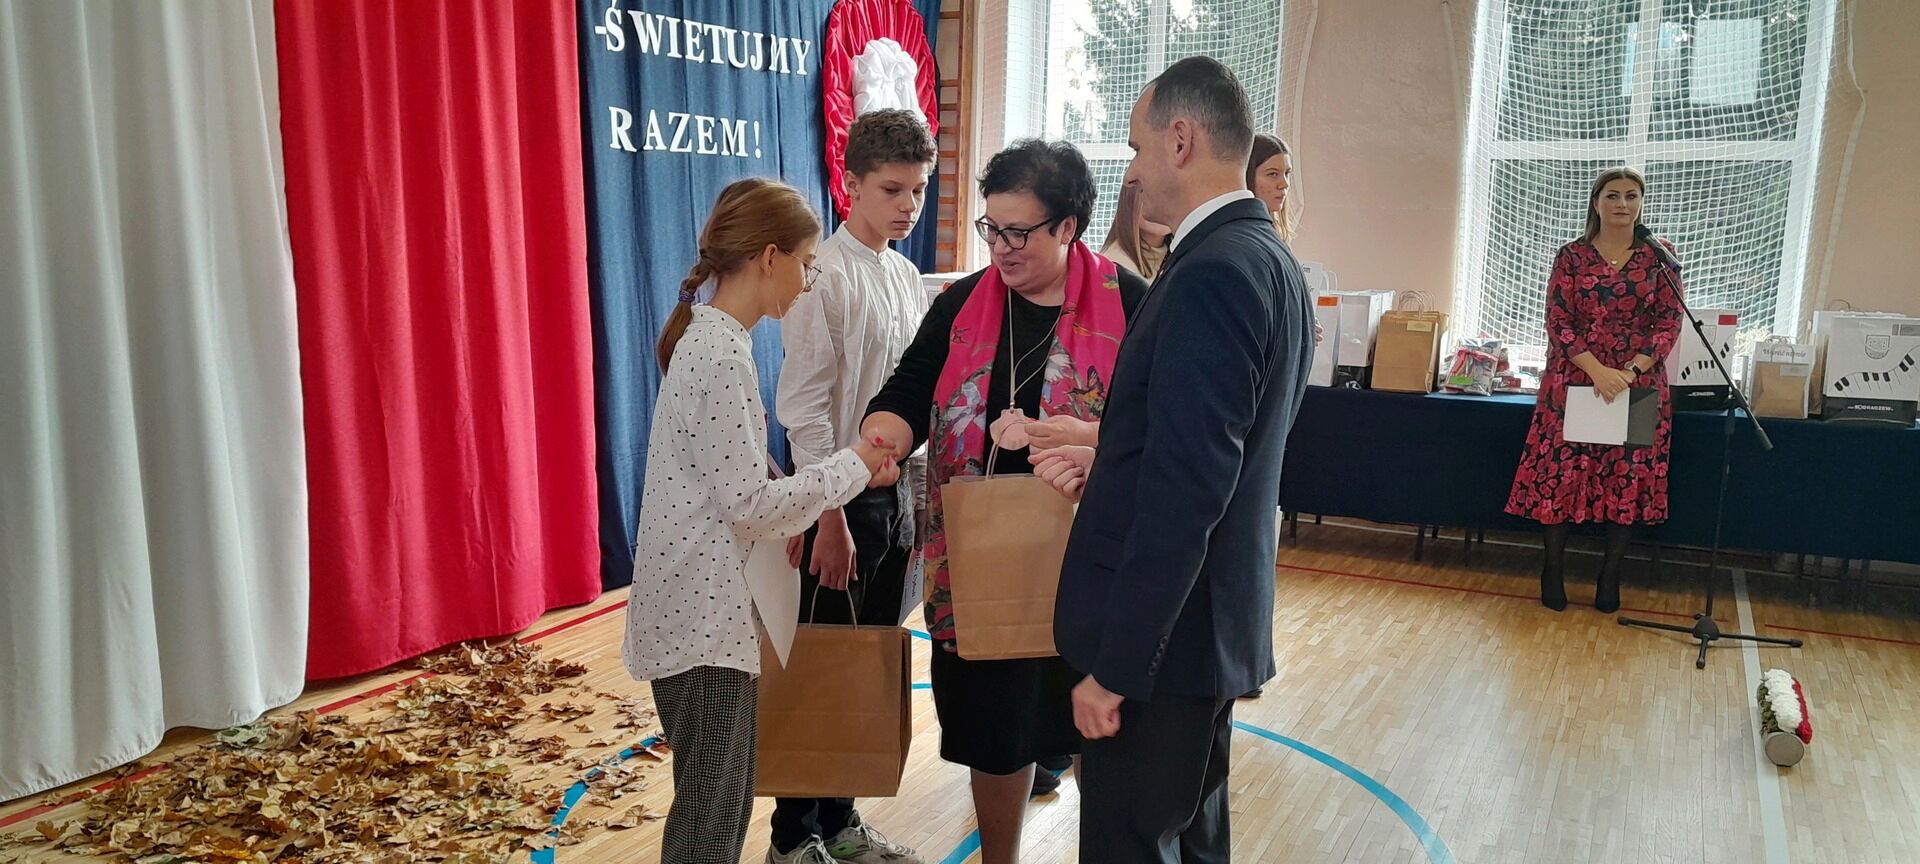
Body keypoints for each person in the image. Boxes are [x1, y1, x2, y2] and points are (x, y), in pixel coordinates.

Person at [1047, 56, 1314, 863]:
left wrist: (1118, 668)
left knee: (1132, 846)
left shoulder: (1214, 273)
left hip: (1166, 647)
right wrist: (1110, 468)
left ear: (1181, 139)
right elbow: (1207, 453)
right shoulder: (1266, 258)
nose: (1130, 173)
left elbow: (1187, 492)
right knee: (1192, 845)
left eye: (1136, 148)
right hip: (1204, 633)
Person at [858, 139, 1148, 864]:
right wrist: (878, 441)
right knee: (995, 731)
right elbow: (909, 390)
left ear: (1068, 227)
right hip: (982, 559)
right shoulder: (962, 302)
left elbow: (1157, 429)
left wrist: (1088, 442)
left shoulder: (1130, 302)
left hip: (1087, 560)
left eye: (1020, 233)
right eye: (992, 228)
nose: (1001, 249)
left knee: (1098, 736)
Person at [621, 178, 900, 864]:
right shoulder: (718, 353)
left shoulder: (716, 342)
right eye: (807, 264)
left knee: (720, 800)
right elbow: (746, 506)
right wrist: (854, 464)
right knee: (712, 817)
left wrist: (798, 498)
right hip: (702, 622)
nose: (808, 282)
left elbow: (728, 484)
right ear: (770, 257)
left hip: (703, 613)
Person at [769, 109, 934, 864]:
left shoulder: (903, 274)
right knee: (819, 666)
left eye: (919, 190)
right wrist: (826, 515)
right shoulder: (824, 275)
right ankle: (791, 839)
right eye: (892, 189)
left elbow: (916, 399)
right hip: (835, 498)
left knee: (864, 666)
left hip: (892, 498)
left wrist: (915, 500)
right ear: (851, 184)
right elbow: (804, 410)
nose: (908, 206)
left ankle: (839, 822)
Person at [1504, 167, 1681, 614]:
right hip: (1574, 379)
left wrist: (1629, 371)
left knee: (1627, 477)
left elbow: (1669, 323)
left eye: (1631, 196)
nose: (1622, 204)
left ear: (1641, 203)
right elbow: (1558, 321)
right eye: (1613, 195)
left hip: (1637, 384)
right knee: (1562, 476)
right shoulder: (1571, 256)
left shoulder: (1661, 256)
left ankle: (1610, 575)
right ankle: (1552, 570)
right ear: (1596, 202)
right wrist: (1599, 371)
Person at [1099, 182, 1173, 281]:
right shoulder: (1115, 265)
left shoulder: (1183, 252)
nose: (1161, 206)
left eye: (1170, 194)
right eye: (1148, 192)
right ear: (1129, 199)